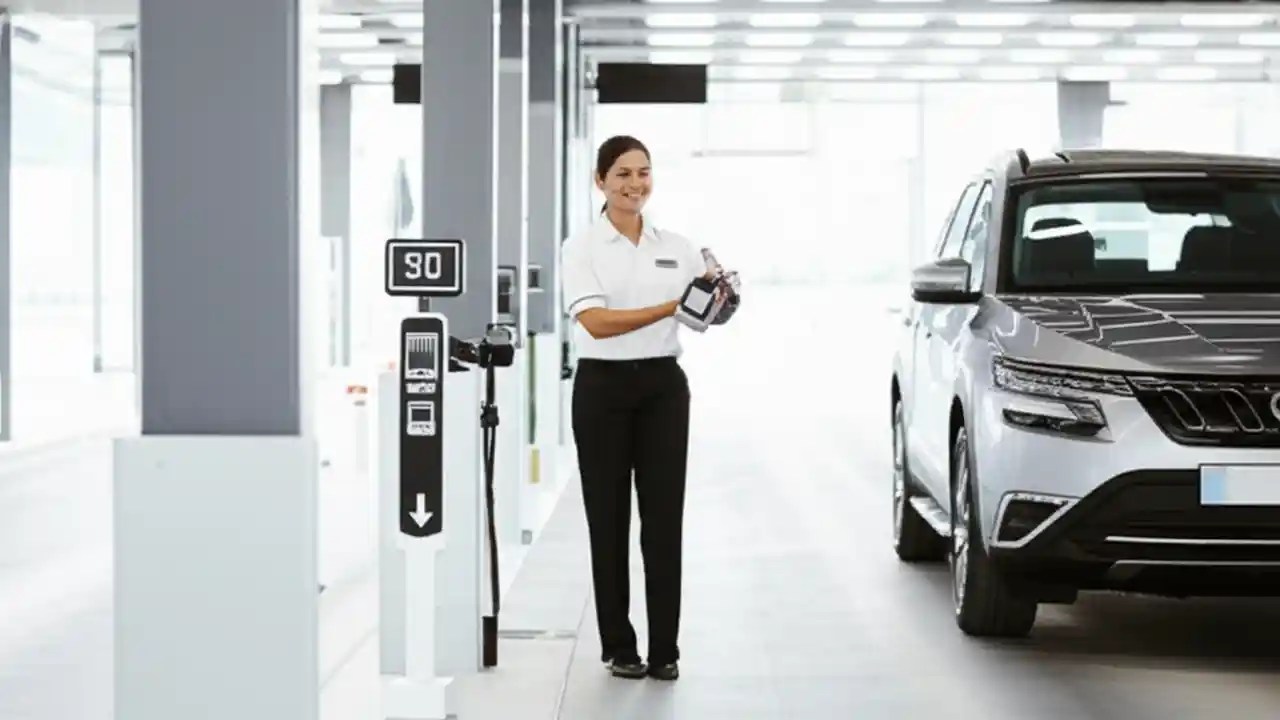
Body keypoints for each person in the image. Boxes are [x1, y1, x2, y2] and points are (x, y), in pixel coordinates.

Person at [560, 135, 737, 682]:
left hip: (663, 388)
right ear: (600, 181)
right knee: (608, 521)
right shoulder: (581, 247)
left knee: (663, 521)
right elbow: (596, 323)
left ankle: (665, 650)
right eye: (622, 174)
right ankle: (620, 646)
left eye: (643, 172)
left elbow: (699, 319)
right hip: (602, 389)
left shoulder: (678, 247)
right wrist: (669, 306)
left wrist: (721, 299)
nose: (635, 184)